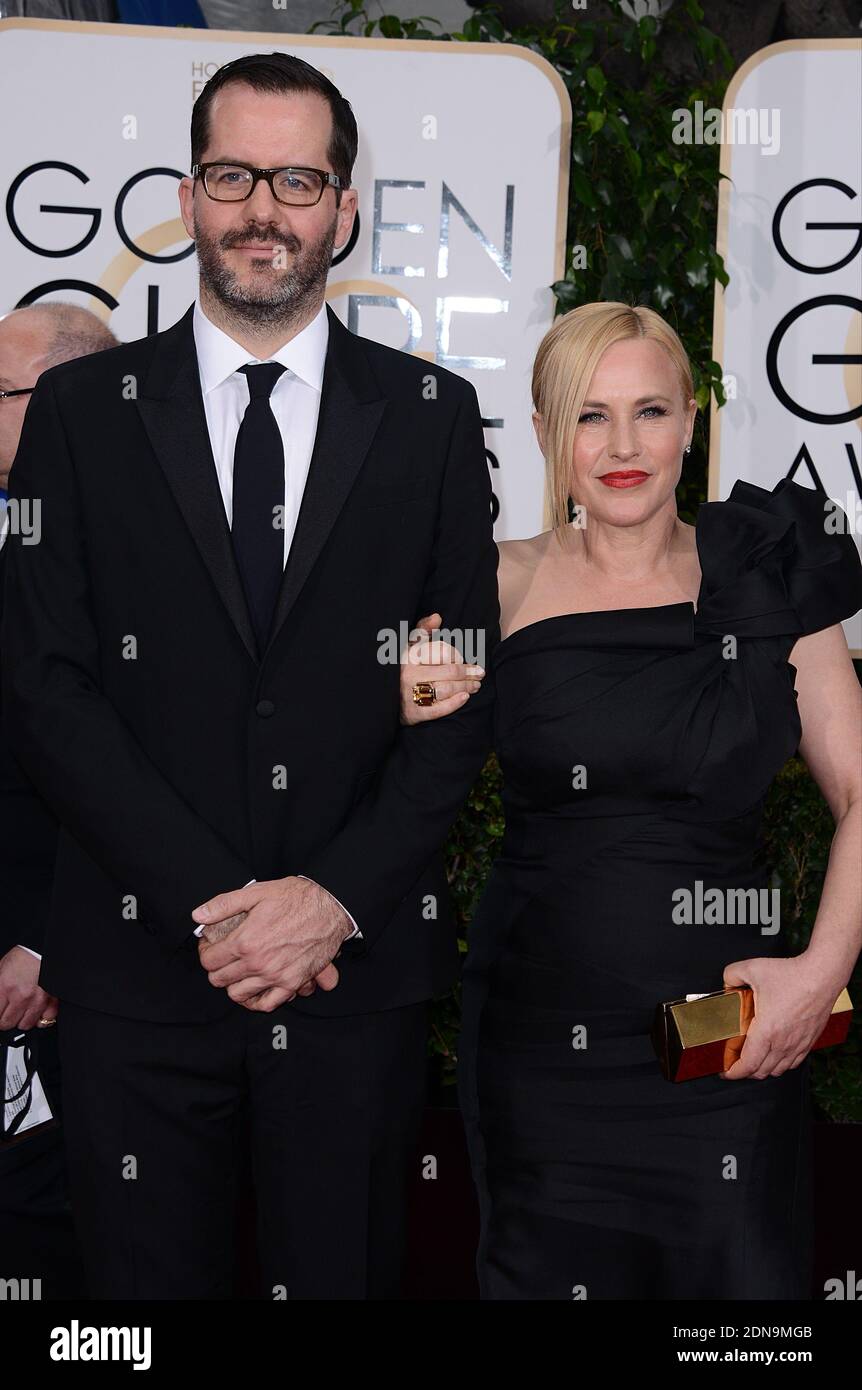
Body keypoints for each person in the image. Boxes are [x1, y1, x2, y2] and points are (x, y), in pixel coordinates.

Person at [1, 52, 499, 1299]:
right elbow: (48, 692)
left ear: (342, 208)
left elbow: (447, 706)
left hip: (351, 979)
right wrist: (221, 906)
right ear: (189, 191)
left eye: (295, 179)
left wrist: (328, 898)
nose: (260, 209)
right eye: (232, 174)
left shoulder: (432, 419)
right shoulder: (79, 413)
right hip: (132, 977)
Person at [399, 301, 862, 1300]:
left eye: (648, 411)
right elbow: (393, 774)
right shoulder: (493, 584)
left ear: (692, 421)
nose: (620, 446)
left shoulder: (771, 572)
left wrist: (820, 971)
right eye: (586, 415)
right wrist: (404, 697)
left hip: (729, 1044)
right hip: (539, 1056)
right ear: (540, 432)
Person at [0, 302, 117, 1297]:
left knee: (47, 1232)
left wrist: (47, 943)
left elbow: (119, 773)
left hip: (58, 975)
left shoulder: (131, 562)